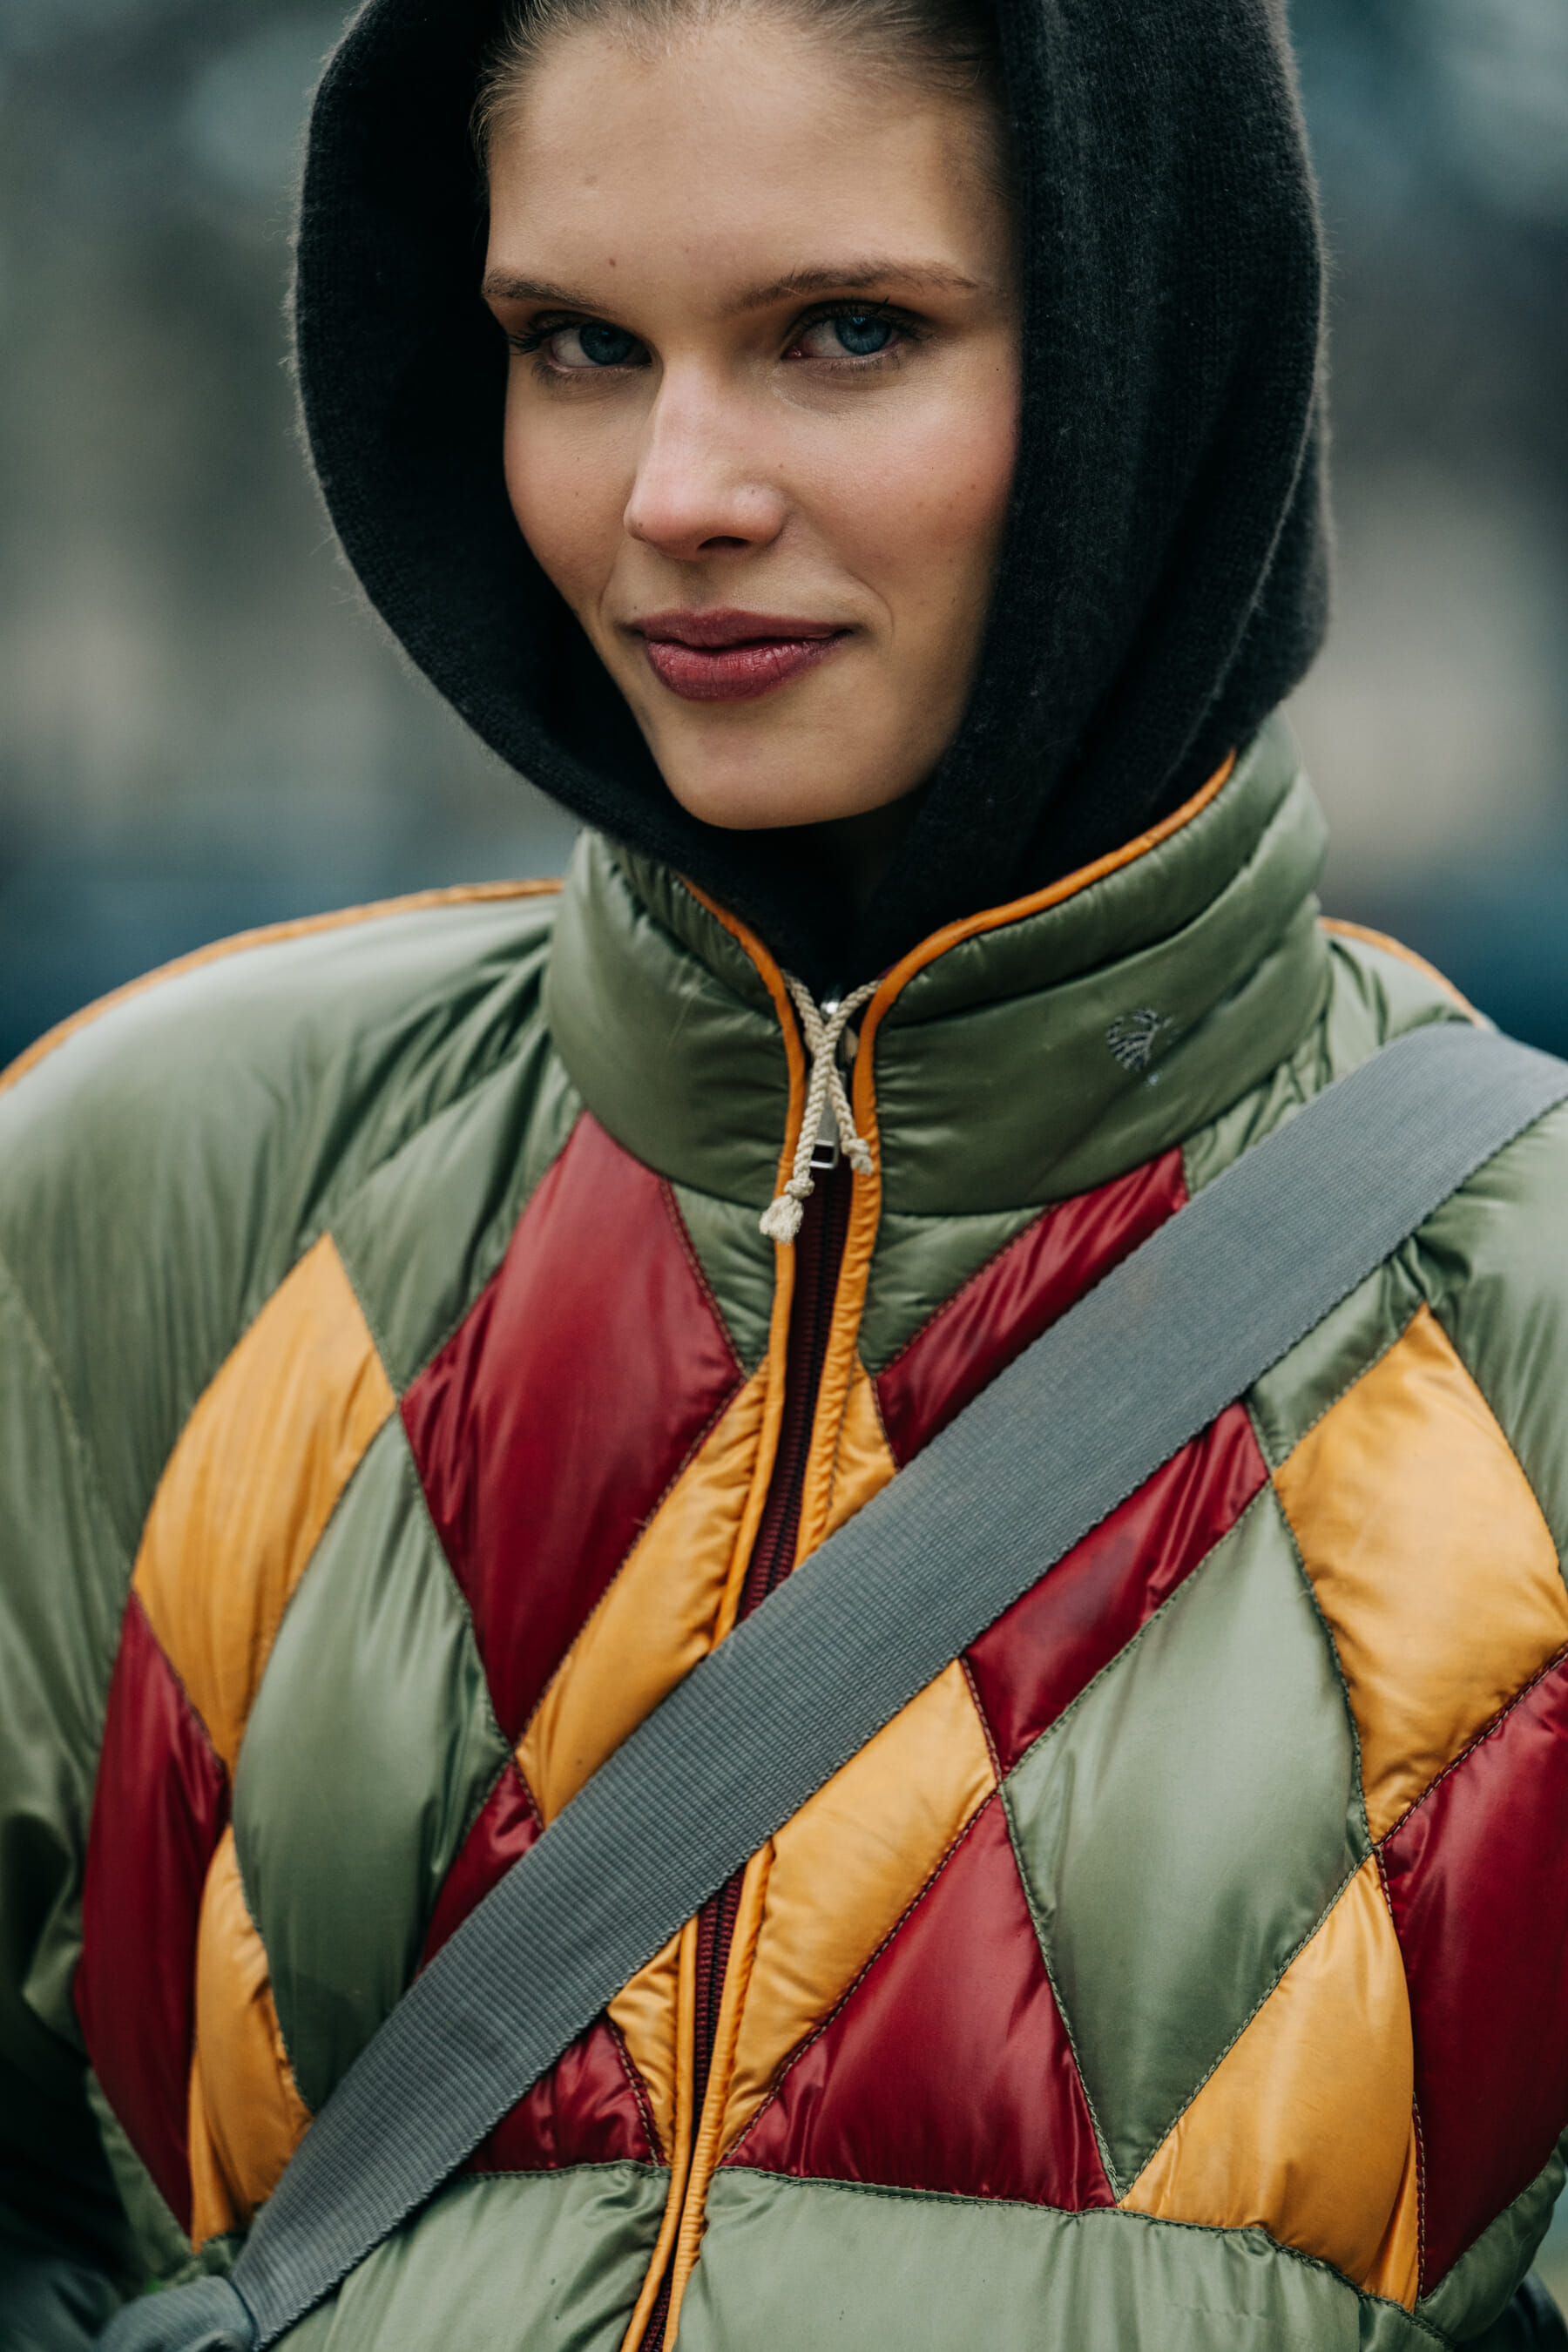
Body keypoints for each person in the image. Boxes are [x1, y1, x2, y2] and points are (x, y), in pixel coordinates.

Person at [2, 0, 1566, 2344]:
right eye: (577, 343)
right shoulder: (159, 1181)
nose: (676, 491)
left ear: (1157, 343)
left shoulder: (1528, 1307)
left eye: (849, 332)